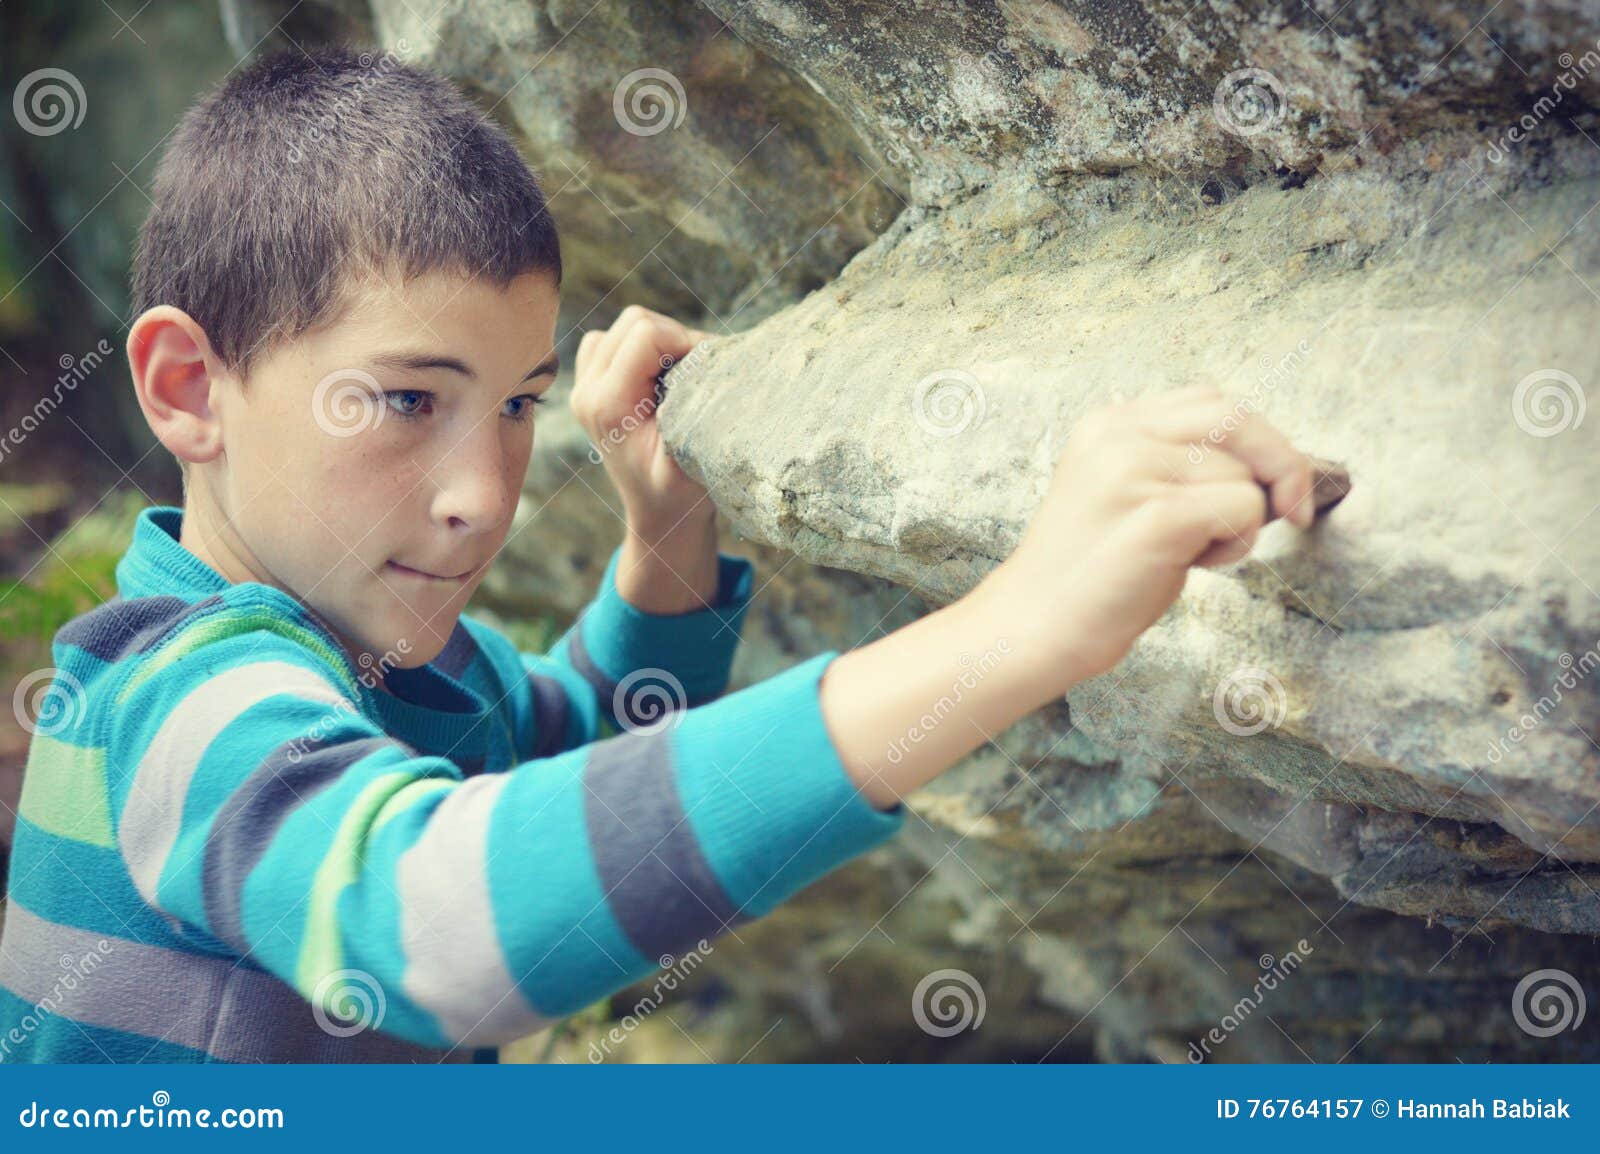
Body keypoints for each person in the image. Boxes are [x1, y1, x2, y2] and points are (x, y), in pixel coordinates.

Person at [0, 47, 1315, 1063]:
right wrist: (1013, 631)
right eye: (407, 400)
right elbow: (433, 921)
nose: (481, 493)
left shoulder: (362, 656)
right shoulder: (183, 696)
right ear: (187, 386)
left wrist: (668, 527)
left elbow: (573, 747)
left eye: (517, 404)